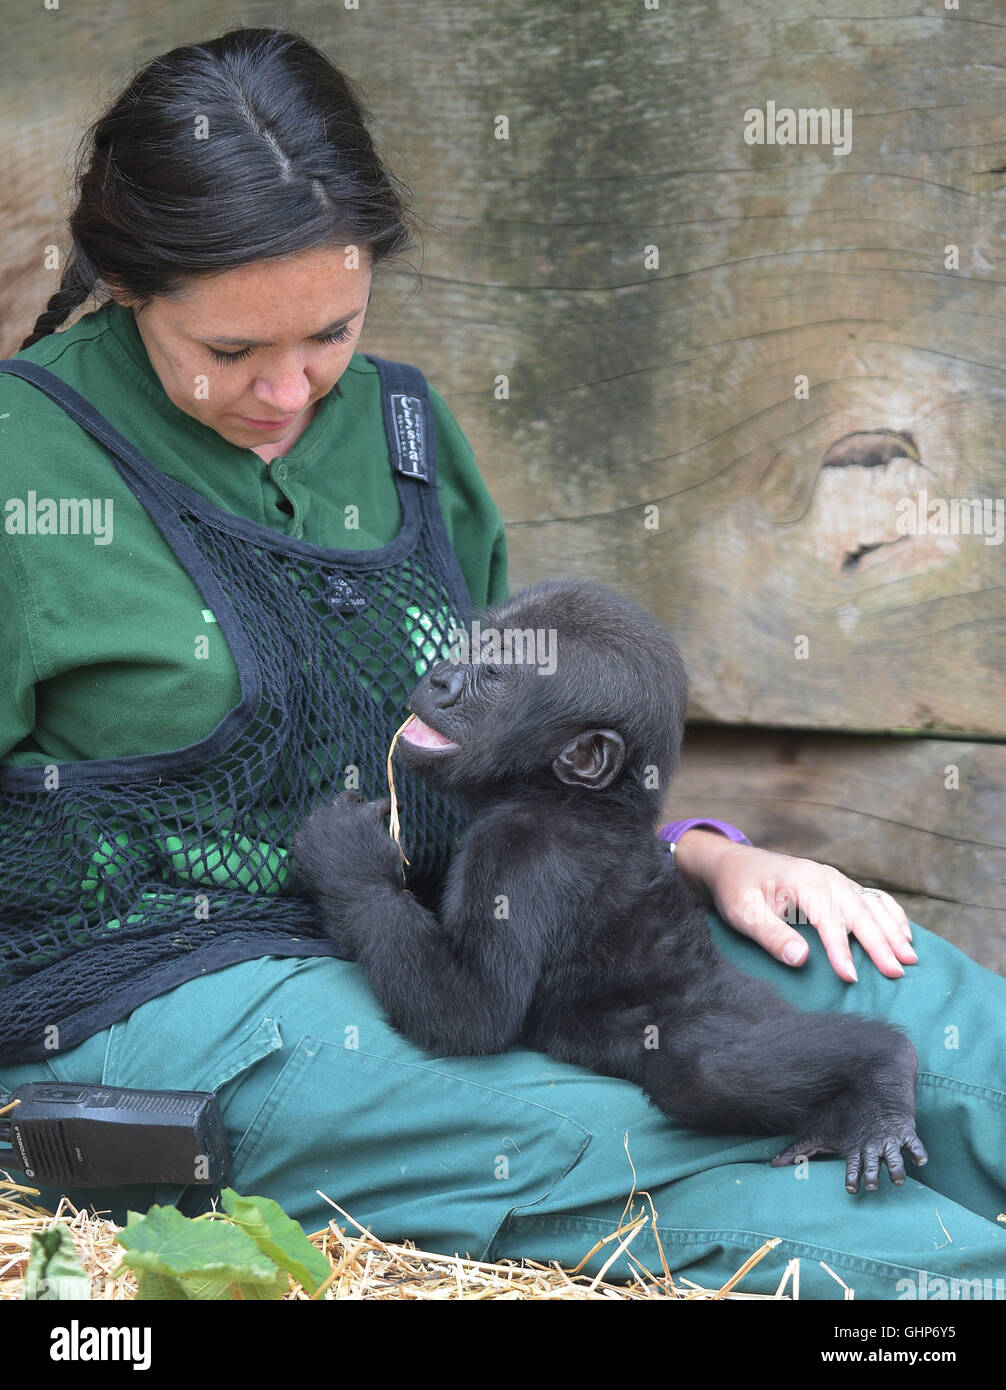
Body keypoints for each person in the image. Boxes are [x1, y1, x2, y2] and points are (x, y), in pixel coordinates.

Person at [1, 26, 1003, 1300]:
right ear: (132, 286)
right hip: (158, 1001)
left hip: (464, 932)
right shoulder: (19, 468)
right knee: (669, 1163)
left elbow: (514, 748)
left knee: (937, 1029)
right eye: (230, 351)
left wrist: (706, 853)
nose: (291, 389)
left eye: (331, 330)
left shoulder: (405, 430)